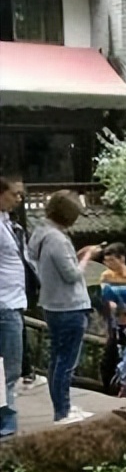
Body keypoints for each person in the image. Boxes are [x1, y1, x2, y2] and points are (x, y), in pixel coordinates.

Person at [26, 190, 102, 424]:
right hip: (69, 306)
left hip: (52, 304)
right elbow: (71, 275)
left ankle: (64, 407)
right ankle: (62, 412)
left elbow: (51, 266)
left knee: (58, 359)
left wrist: (75, 256)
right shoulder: (57, 239)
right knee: (66, 362)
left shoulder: (40, 234)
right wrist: (87, 256)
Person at [0, 174, 29, 435]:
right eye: (15, 194)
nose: (19, 199)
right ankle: (6, 424)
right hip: (4, 304)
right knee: (9, 369)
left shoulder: (8, 223)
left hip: (12, 302)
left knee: (8, 368)